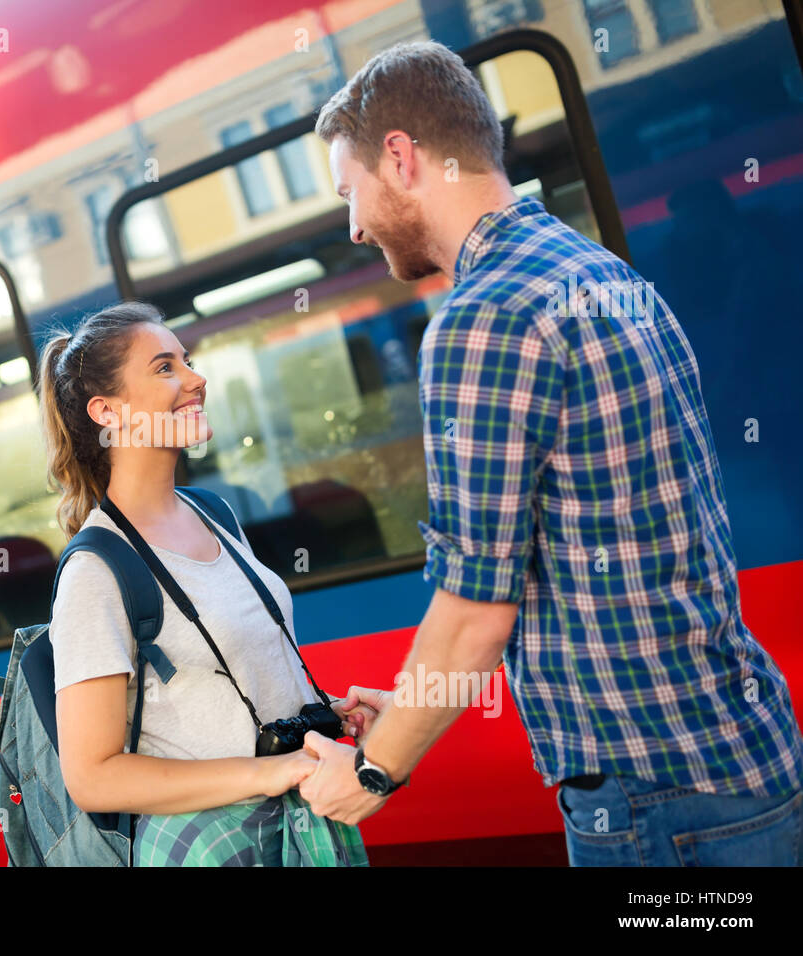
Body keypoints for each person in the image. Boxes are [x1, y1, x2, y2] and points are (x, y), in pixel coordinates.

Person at [298, 40, 803, 866]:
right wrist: (402, 705)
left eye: (350, 191)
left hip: (656, 800)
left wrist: (377, 768)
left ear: (400, 157)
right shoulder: (601, 274)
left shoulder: (483, 318)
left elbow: (474, 617)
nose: (353, 224)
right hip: (741, 752)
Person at [39, 300, 369, 867]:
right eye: (165, 368)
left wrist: (328, 714)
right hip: (216, 848)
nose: (196, 379)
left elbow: (216, 694)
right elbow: (93, 776)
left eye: (186, 361)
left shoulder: (213, 513)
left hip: (299, 827)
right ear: (106, 410)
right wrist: (270, 771)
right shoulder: (95, 570)